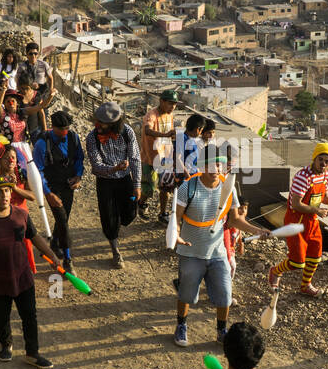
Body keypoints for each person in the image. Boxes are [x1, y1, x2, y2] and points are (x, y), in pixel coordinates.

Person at [171, 152, 272, 346]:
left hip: (217, 252)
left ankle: (221, 330)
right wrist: (176, 235)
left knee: (225, 295)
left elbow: (235, 220)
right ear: (201, 167)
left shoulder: (228, 187)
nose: (216, 170)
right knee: (186, 294)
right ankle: (181, 325)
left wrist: (258, 230)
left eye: (219, 165)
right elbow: (177, 217)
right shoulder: (188, 187)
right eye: (211, 165)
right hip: (191, 251)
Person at [0, 174, 60, 369]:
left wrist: (53, 256)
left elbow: (35, 238)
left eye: (7, 190)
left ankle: (32, 354)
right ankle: (5, 344)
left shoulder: (21, 214)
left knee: (29, 316)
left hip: (23, 275)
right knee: (2, 315)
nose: (5, 195)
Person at [268, 143, 328, 297]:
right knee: (297, 261)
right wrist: (317, 210)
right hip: (296, 221)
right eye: (321, 159)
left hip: (312, 221)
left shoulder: (325, 176)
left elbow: (322, 196)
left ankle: (306, 286)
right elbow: (296, 204)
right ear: (315, 158)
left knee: (315, 256)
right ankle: (275, 271)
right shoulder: (303, 176)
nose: (324, 164)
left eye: (327, 161)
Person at [85, 101, 141, 268]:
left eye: (102, 123)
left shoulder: (127, 132)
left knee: (130, 213)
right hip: (105, 182)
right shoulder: (92, 138)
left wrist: (137, 185)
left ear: (113, 124)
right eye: (98, 121)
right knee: (109, 217)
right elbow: (96, 166)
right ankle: (115, 250)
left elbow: (135, 158)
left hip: (125, 180)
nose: (98, 125)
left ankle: (118, 225)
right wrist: (114, 168)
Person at [33, 109, 85, 273]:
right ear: (52, 127)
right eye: (60, 129)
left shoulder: (73, 137)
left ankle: (55, 242)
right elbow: (38, 171)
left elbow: (79, 158)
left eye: (66, 129)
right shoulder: (42, 144)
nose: (64, 132)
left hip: (68, 185)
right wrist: (48, 193)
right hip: (52, 185)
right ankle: (68, 259)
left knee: (65, 218)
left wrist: (78, 176)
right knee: (62, 220)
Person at [140, 90, 177, 221]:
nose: (172, 107)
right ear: (161, 101)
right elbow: (147, 130)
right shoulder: (151, 115)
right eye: (170, 103)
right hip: (150, 157)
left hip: (165, 156)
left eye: (174, 104)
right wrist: (165, 135)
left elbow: (170, 133)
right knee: (149, 188)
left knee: (166, 187)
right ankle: (140, 203)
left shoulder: (169, 116)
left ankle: (162, 213)